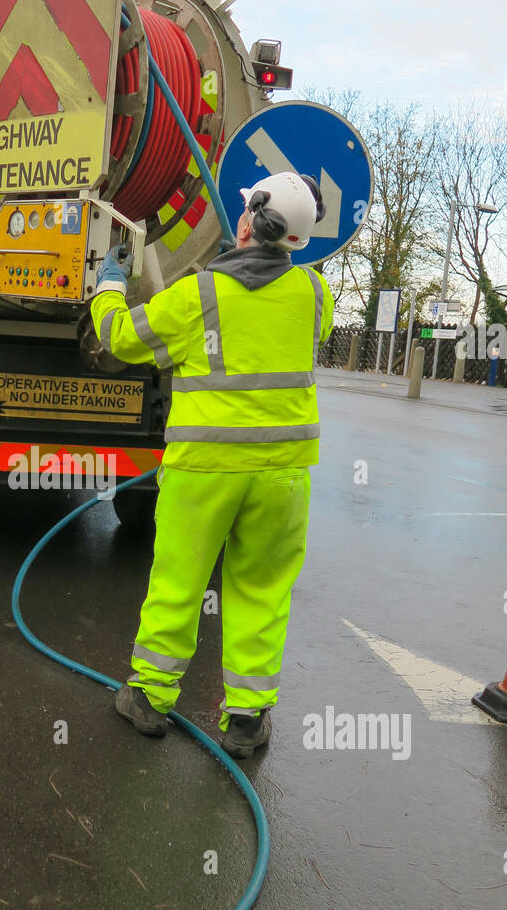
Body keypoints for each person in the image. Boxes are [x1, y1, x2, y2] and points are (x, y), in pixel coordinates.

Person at [89, 172, 334, 757]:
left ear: (247, 219)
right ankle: (247, 719)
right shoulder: (317, 295)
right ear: (298, 240)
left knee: (178, 582)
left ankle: (150, 699)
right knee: (261, 590)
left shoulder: (197, 295)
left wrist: (108, 283)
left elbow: (120, 340)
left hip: (204, 472)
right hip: (283, 477)